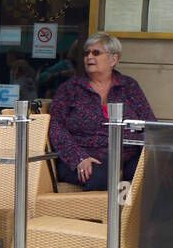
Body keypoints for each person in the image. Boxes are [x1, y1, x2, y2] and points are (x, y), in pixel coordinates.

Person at [49, 31, 156, 191]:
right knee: (102, 176)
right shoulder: (70, 89)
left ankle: (129, 216)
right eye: (86, 53)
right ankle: (96, 216)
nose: (89, 57)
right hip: (84, 158)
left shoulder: (128, 86)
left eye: (96, 52)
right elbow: (54, 126)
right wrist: (78, 157)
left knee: (151, 172)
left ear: (113, 59)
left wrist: (152, 154)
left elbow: (149, 122)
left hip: (126, 156)